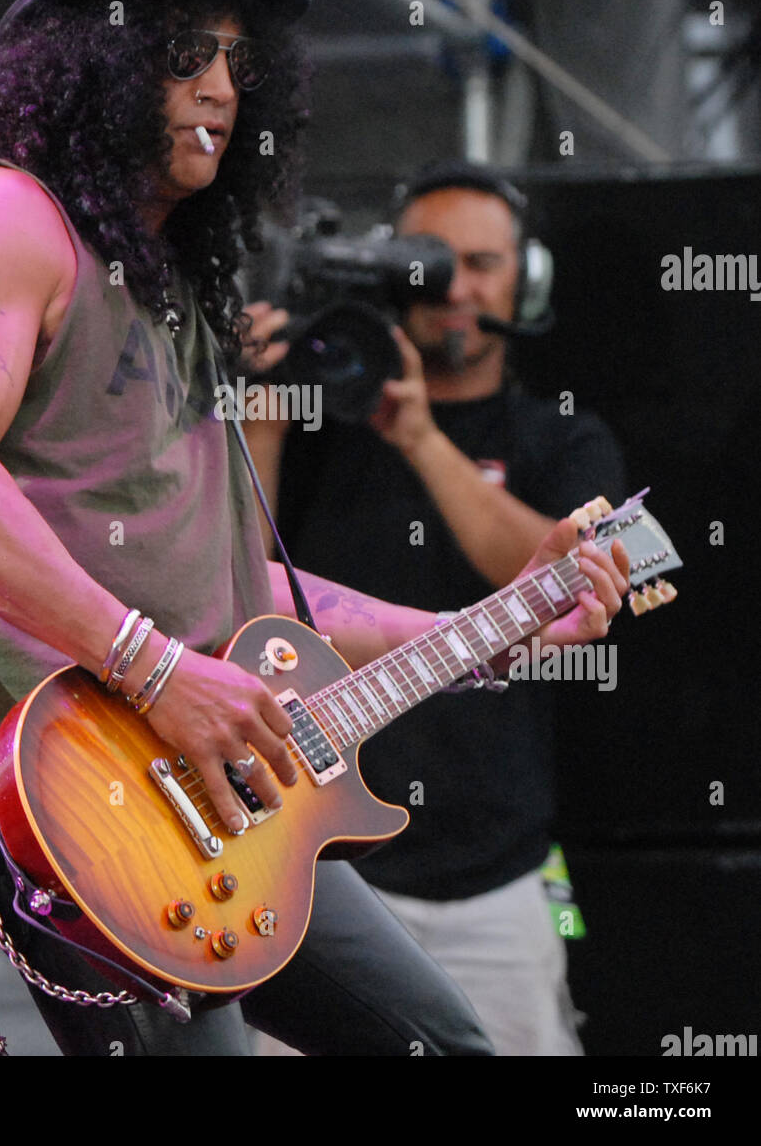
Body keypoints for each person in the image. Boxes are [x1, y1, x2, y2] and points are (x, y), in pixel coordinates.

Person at [0, 0, 629, 1057]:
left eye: (235, 55)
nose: (222, 86)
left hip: (213, 784)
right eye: (183, 55)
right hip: (63, 777)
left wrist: (487, 626)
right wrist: (159, 672)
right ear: (92, 66)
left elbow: (242, 596)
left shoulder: (172, 292)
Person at [245, 163, 626, 1055]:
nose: (458, 288)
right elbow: (233, 587)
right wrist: (259, 415)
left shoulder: (560, 435)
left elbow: (548, 579)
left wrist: (417, 435)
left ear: (524, 280)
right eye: (431, 264)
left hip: (496, 876)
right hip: (310, 865)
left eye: (484, 264)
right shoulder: (312, 432)